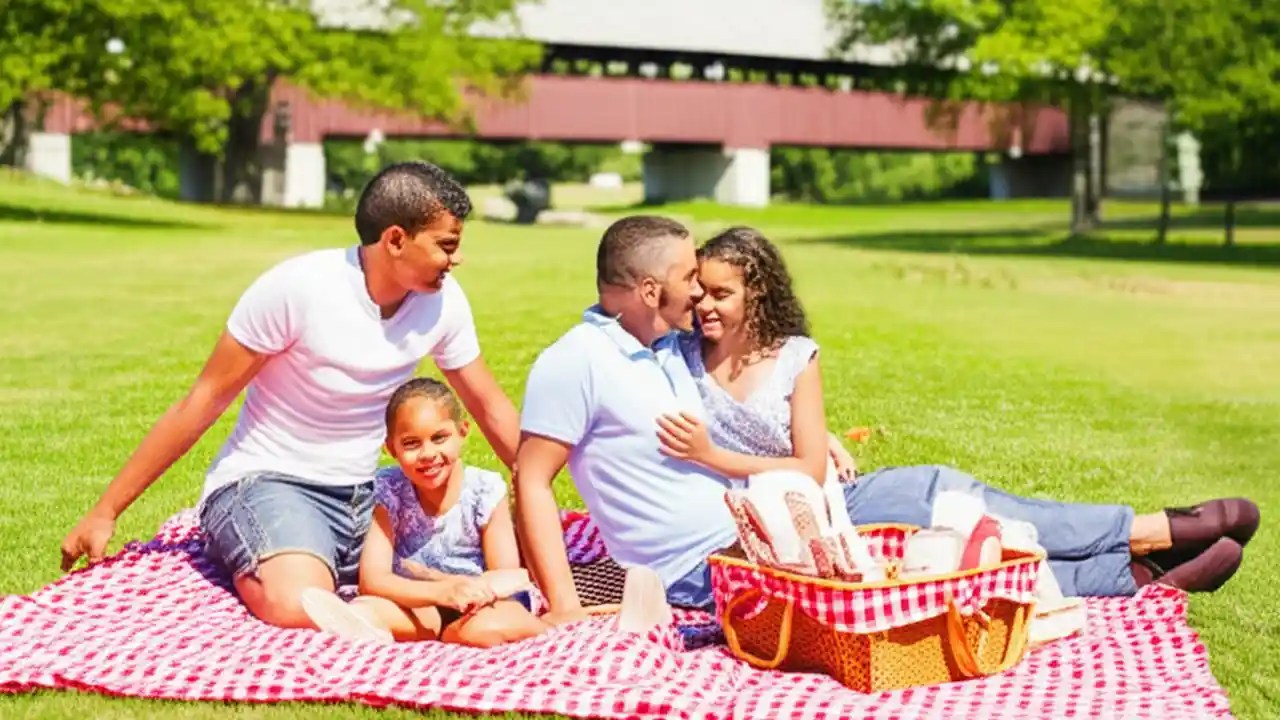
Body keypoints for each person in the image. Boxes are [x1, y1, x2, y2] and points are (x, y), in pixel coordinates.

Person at [655, 226, 1259, 600]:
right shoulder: (677, 355)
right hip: (784, 531)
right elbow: (621, 304)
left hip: (838, 501)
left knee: (949, 504)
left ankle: (1141, 531)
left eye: (721, 292)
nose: (703, 303)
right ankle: (1132, 574)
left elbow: (811, 469)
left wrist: (722, 452)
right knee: (940, 568)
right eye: (700, 290)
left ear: (757, 295)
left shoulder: (792, 356)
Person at [59, 162, 522, 630]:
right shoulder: (298, 289)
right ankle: (397, 610)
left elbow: (487, 404)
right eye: (447, 246)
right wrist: (106, 510)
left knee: (478, 576)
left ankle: (397, 612)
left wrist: (537, 486)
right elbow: (202, 402)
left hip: (367, 493)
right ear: (396, 240)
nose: (455, 260)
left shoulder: (443, 302)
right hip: (269, 482)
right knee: (295, 602)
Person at [300, 378, 549, 647]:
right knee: (370, 606)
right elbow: (373, 579)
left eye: (439, 438)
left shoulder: (484, 491)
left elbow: (508, 575)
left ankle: (537, 632)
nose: (427, 453)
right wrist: (440, 592)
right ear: (391, 448)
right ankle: (358, 622)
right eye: (411, 443)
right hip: (421, 603)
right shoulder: (388, 490)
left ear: (463, 432)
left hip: (486, 602)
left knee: (477, 628)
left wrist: (455, 587)